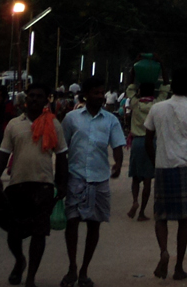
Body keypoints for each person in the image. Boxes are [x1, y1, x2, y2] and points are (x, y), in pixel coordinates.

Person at [0, 83, 68, 287]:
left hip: (43, 186)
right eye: (31, 95)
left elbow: (61, 156)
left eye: (39, 96)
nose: (35, 99)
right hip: (17, 185)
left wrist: (62, 184)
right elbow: (3, 153)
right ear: (26, 99)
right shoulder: (14, 125)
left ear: (46, 100)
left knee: (38, 233)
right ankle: (20, 261)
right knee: (13, 234)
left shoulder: (54, 125)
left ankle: (31, 277)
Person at [144, 68, 187, 281]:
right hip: (183, 168)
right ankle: (178, 267)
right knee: (183, 220)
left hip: (163, 167)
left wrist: (156, 162)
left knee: (161, 216)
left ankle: (163, 251)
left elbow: (147, 139)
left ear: (171, 86)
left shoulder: (157, 108)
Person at [61, 75, 125, 287]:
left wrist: (117, 164)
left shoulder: (111, 120)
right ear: (86, 95)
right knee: (72, 222)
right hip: (75, 177)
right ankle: (71, 266)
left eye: (101, 93)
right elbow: (62, 148)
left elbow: (117, 146)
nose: (100, 97)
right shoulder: (71, 119)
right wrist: (59, 176)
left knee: (94, 225)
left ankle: (84, 270)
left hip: (99, 178)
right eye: (96, 93)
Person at [126, 82, 157, 221]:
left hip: (137, 141)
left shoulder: (135, 103)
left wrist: (135, 77)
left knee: (135, 176)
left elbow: (130, 89)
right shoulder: (156, 105)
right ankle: (142, 212)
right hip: (151, 142)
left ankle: (134, 201)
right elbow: (165, 89)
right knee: (148, 178)